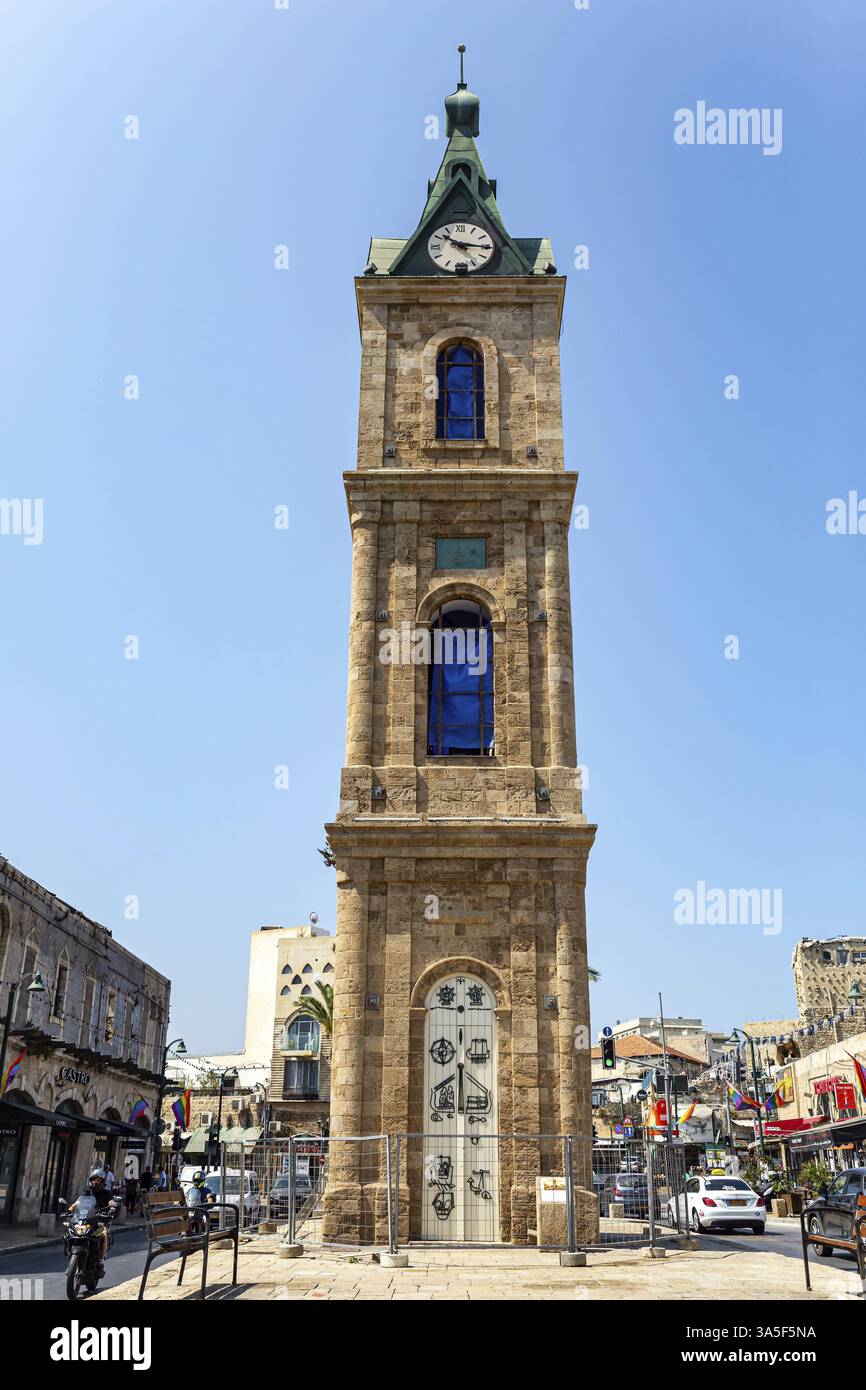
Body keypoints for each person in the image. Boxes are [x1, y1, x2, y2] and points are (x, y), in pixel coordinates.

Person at [69, 1169, 118, 1277]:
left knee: (104, 1233)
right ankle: (71, 1257)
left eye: (97, 1179)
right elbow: (78, 1202)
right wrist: (71, 1208)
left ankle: (100, 1262)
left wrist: (113, 1206)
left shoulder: (106, 1193)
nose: (95, 1182)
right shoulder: (87, 1193)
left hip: (99, 1222)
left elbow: (111, 1201)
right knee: (69, 1231)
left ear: (102, 1181)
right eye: (93, 1179)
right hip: (86, 1221)